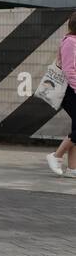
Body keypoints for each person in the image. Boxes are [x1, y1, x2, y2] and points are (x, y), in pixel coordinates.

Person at [45, 11, 76, 177]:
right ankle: (56, 156)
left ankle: (72, 168)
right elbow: (69, 70)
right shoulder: (70, 42)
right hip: (70, 90)